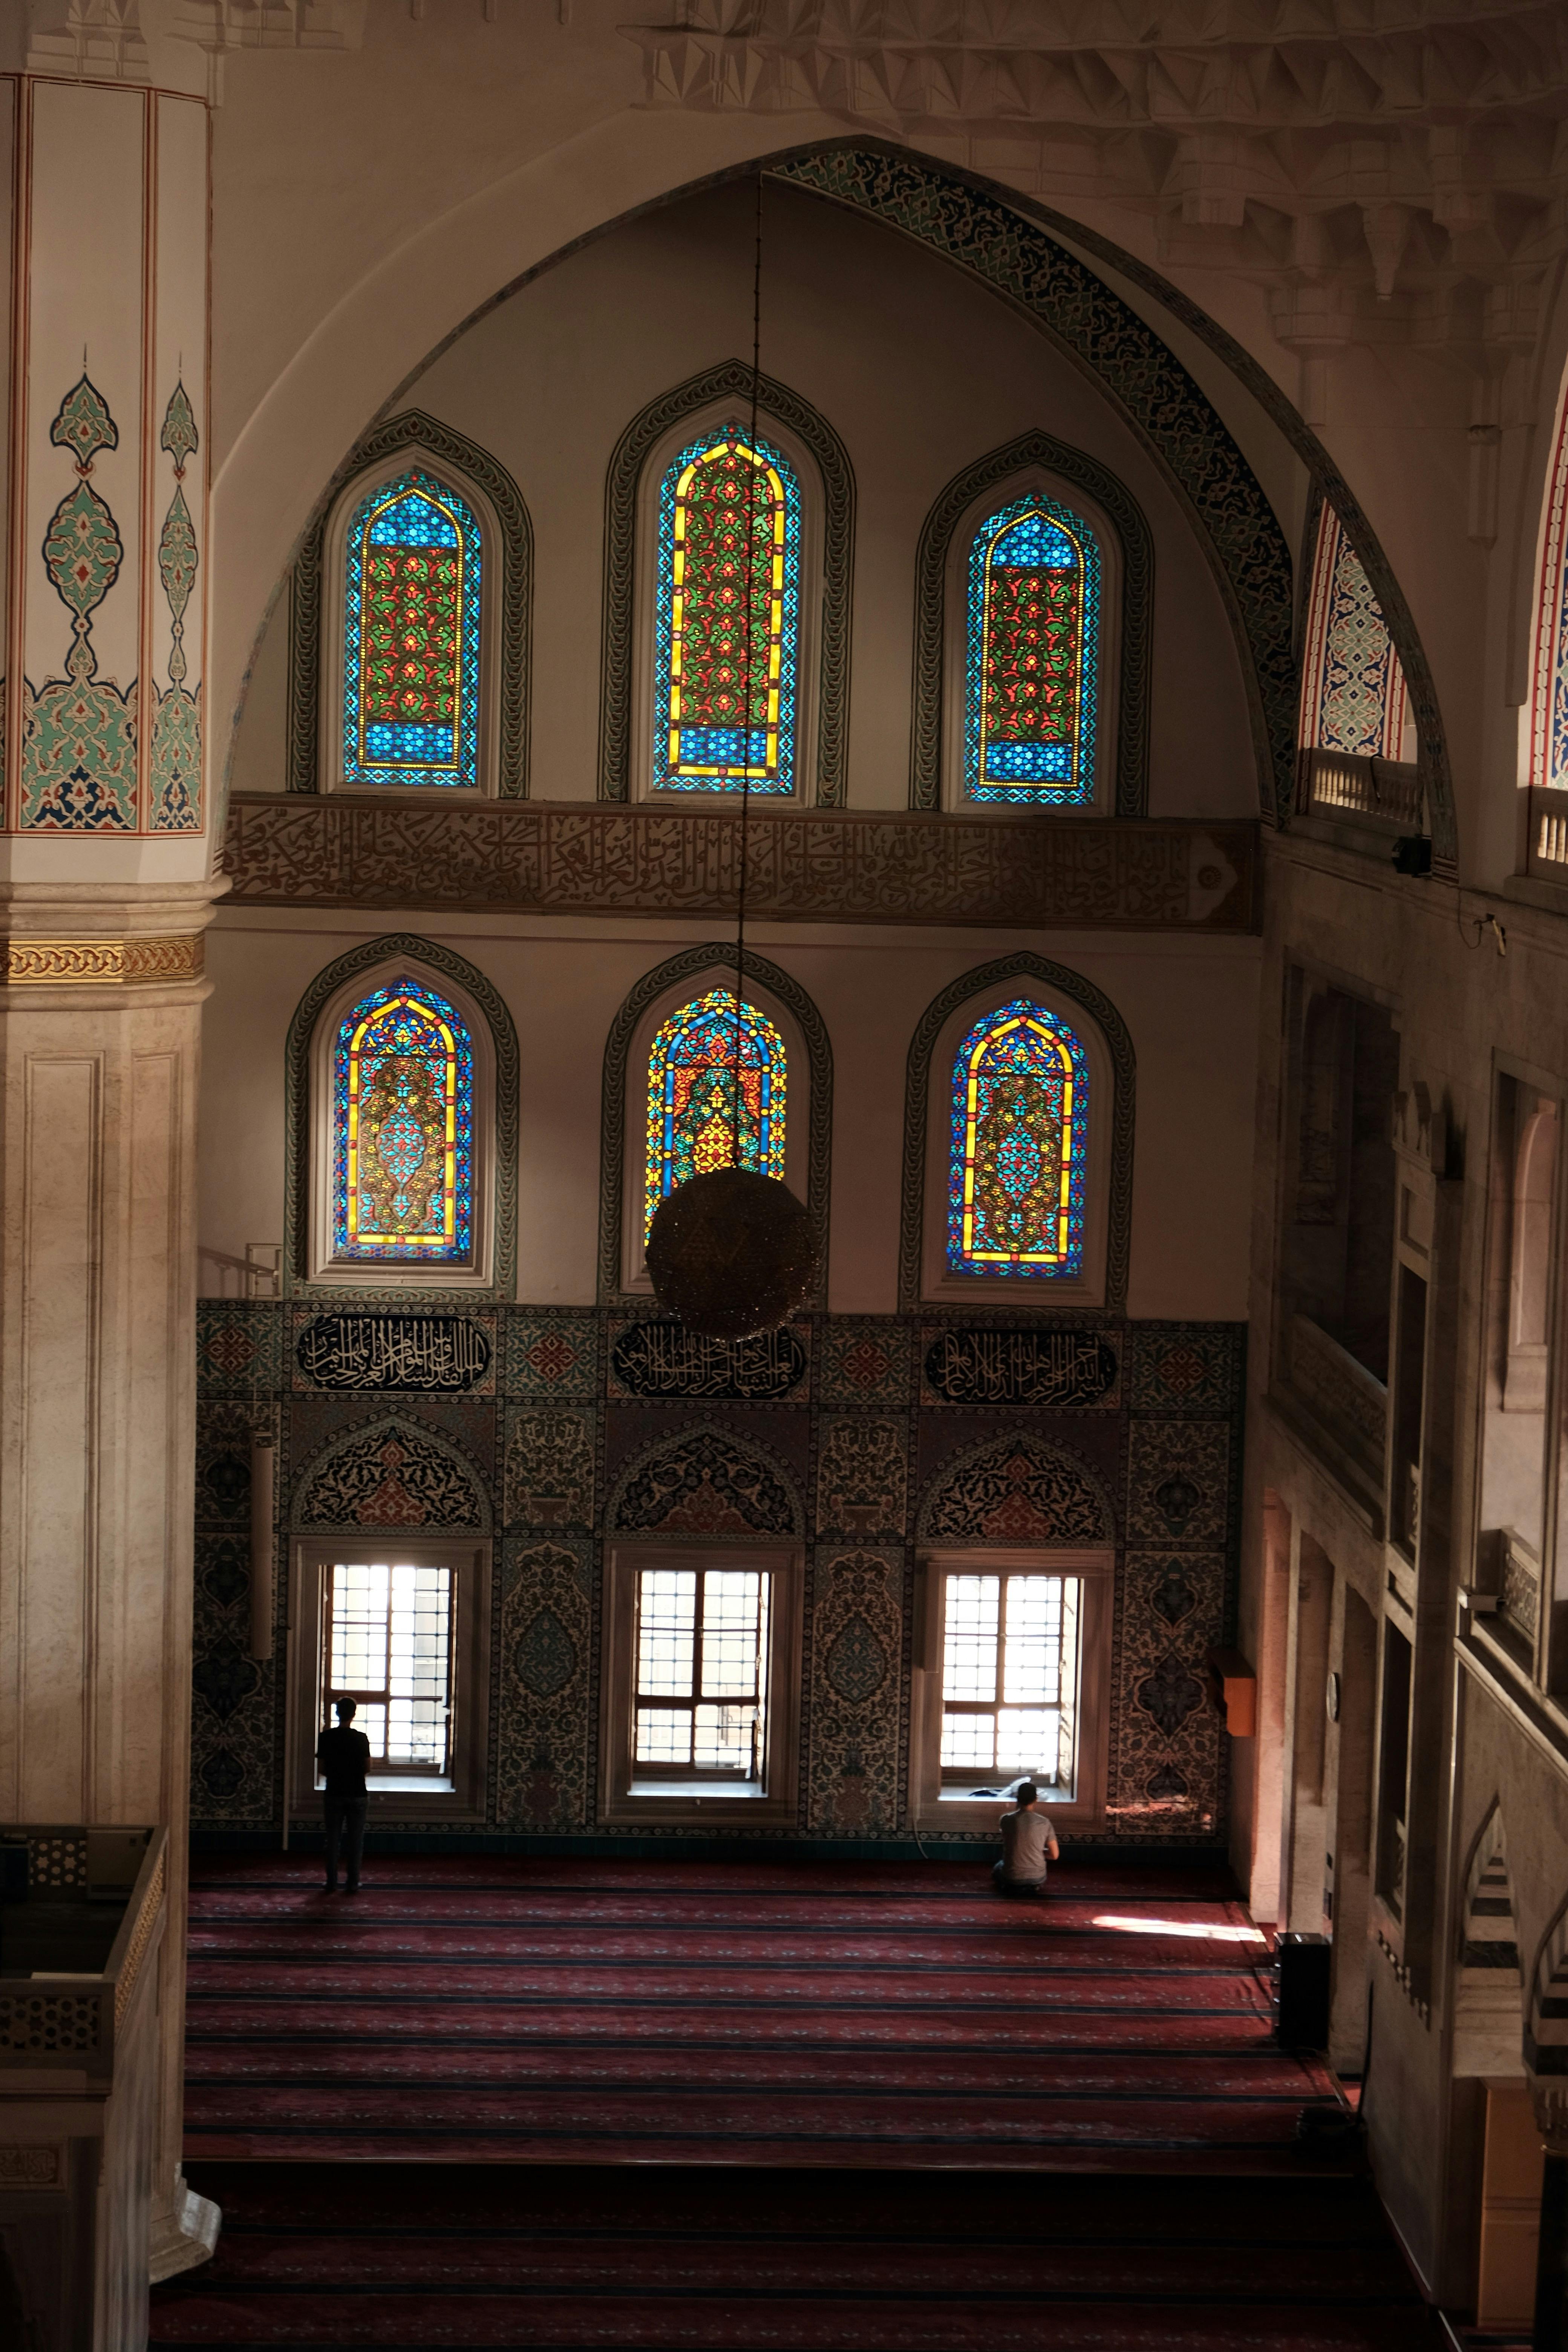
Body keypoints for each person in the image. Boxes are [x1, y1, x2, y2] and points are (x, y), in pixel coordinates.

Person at [317, 1697, 371, 1893]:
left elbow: (322, 1768)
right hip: (357, 1793)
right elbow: (367, 1768)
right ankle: (353, 1883)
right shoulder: (361, 1738)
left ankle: (332, 1883)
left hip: (334, 1793)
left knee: (332, 1840)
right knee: (356, 1840)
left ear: (337, 1713)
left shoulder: (326, 1738)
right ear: (354, 1714)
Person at [992, 1779, 1059, 1897]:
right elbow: (1054, 1855)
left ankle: (1011, 1886)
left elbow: (1013, 1843)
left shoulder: (1006, 1820)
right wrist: (1038, 1852)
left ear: (1017, 1798)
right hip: (1037, 1877)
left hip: (1011, 1876)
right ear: (1036, 1799)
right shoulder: (1045, 1823)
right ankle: (1032, 1886)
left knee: (998, 1867)